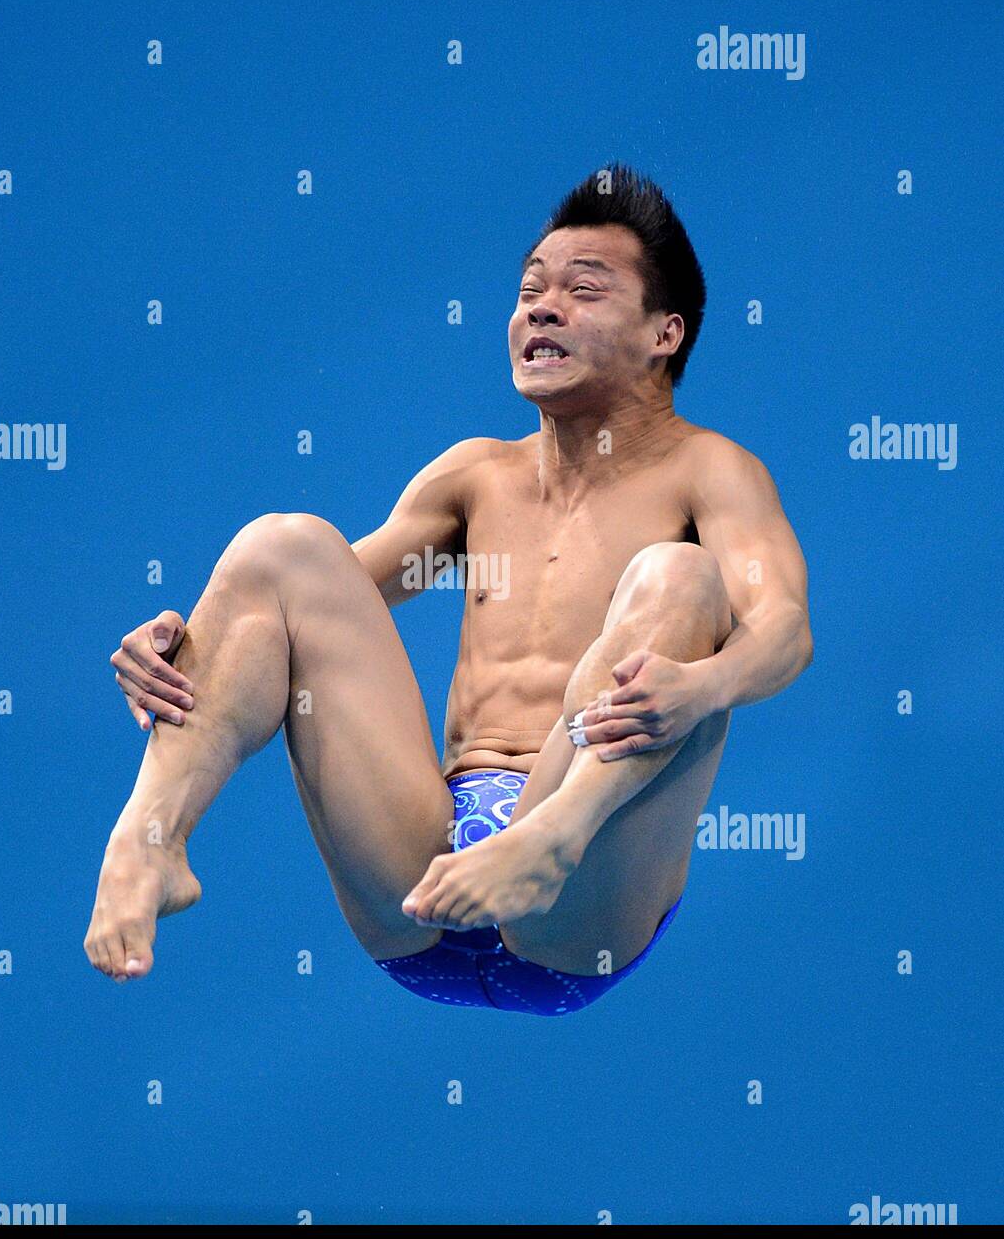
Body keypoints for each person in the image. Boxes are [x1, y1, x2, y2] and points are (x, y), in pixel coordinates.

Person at [84, 163, 813, 1016]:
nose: (542, 307)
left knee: (680, 575)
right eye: (529, 289)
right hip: (425, 880)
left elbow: (784, 629)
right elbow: (287, 611)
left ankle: (551, 836)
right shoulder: (477, 478)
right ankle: (146, 840)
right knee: (279, 548)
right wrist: (183, 644)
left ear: (664, 334)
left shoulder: (709, 470)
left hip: (582, 891)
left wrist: (701, 686)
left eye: (584, 291)